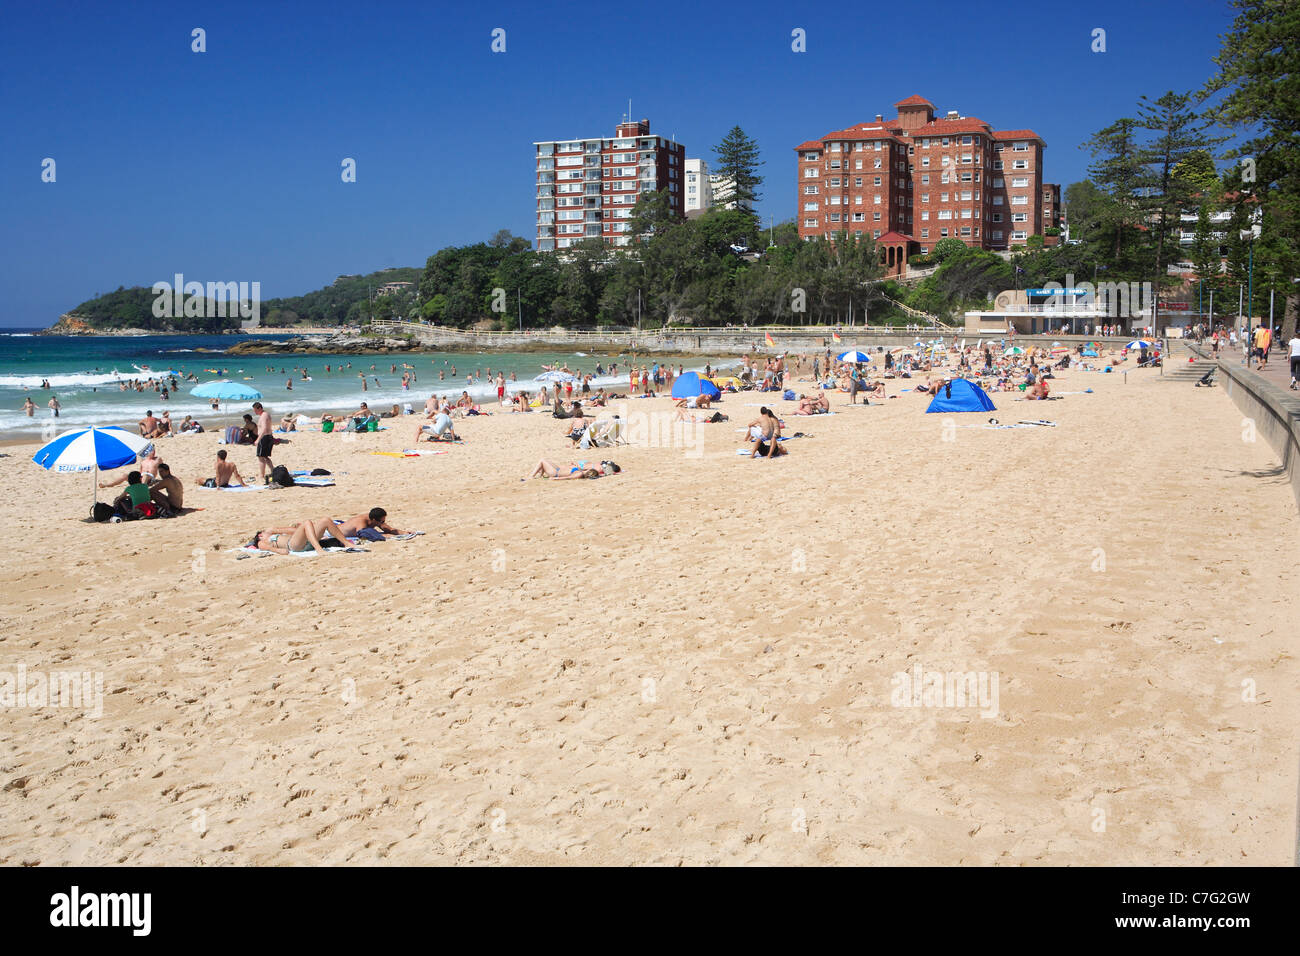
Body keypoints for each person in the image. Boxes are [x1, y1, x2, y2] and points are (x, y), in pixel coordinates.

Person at [247, 518, 351, 556]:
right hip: (293, 546)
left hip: (303, 541)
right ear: (260, 535)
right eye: (264, 532)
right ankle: (318, 549)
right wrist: (279, 551)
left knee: (326, 521)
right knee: (306, 522)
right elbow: (269, 548)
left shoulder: (274, 534)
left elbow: (294, 531)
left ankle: (347, 543)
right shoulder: (262, 542)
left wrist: (275, 530)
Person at [335, 508, 406, 538]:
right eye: (381, 521)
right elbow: (363, 536)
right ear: (374, 520)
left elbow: (389, 529)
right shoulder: (361, 522)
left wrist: (404, 532)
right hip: (333, 532)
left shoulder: (376, 519)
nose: (382, 523)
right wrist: (386, 536)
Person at [523, 459, 614, 480]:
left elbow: (568, 478)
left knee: (542, 460)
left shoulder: (579, 474)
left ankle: (531, 476)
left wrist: (555, 479)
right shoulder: (582, 472)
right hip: (557, 469)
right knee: (545, 460)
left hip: (555, 473)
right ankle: (539, 475)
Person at [252, 401, 273, 483]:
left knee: (261, 457)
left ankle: (262, 474)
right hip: (267, 437)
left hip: (264, 438)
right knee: (265, 456)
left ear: (260, 408)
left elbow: (264, 429)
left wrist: (258, 440)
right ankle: (272, 470)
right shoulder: (265, 415)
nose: (255, 412)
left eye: (256, 410)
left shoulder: (264, 416)